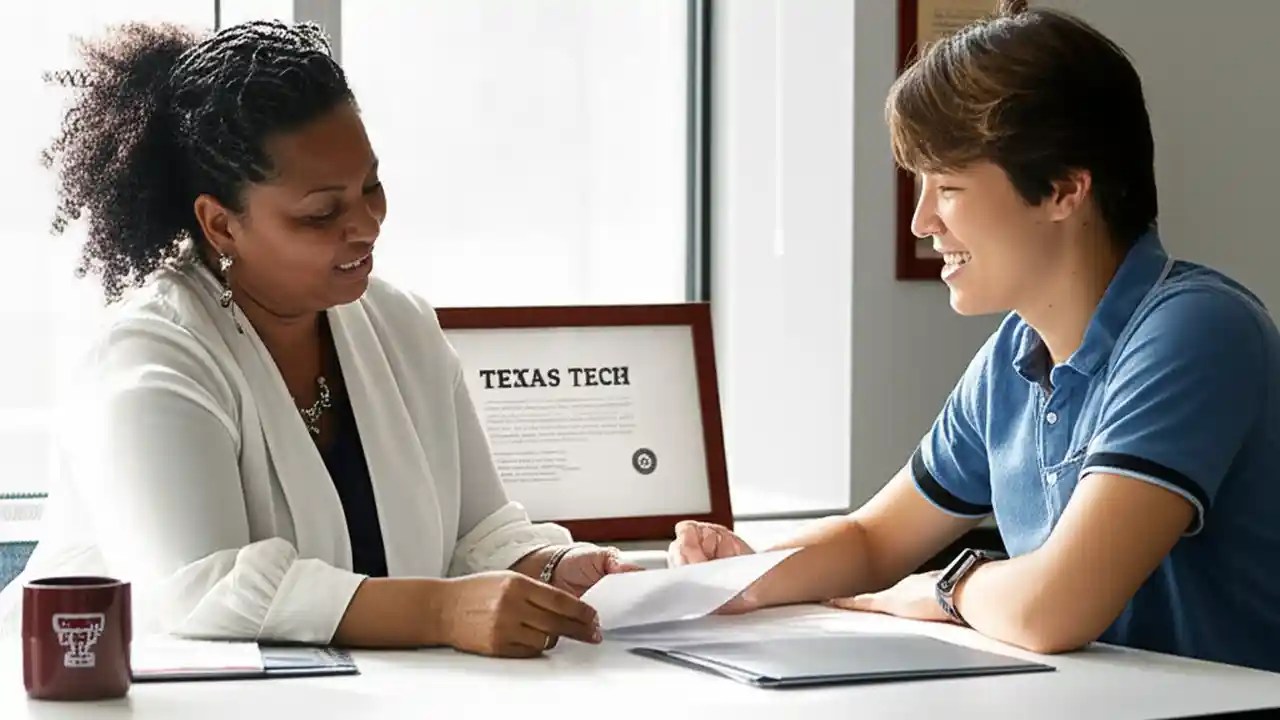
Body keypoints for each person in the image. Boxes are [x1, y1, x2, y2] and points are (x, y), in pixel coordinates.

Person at [670, 5, 1280, 673]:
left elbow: (1055, 607)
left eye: (949, 187)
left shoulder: (1197, 331)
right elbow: (874, 539)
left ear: (1063, 189)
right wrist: (738, 577)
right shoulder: (1012, 357)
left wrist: (944, 587)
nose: (921, 221)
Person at [0, 20, 638, 658]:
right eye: (321, 213)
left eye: (371, 187)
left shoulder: (402, 324)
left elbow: (478, 535)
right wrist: (442, 611)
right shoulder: (147, 358)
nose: (366, 225)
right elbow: (202, 588)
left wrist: (553, 569)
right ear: (220, 224)